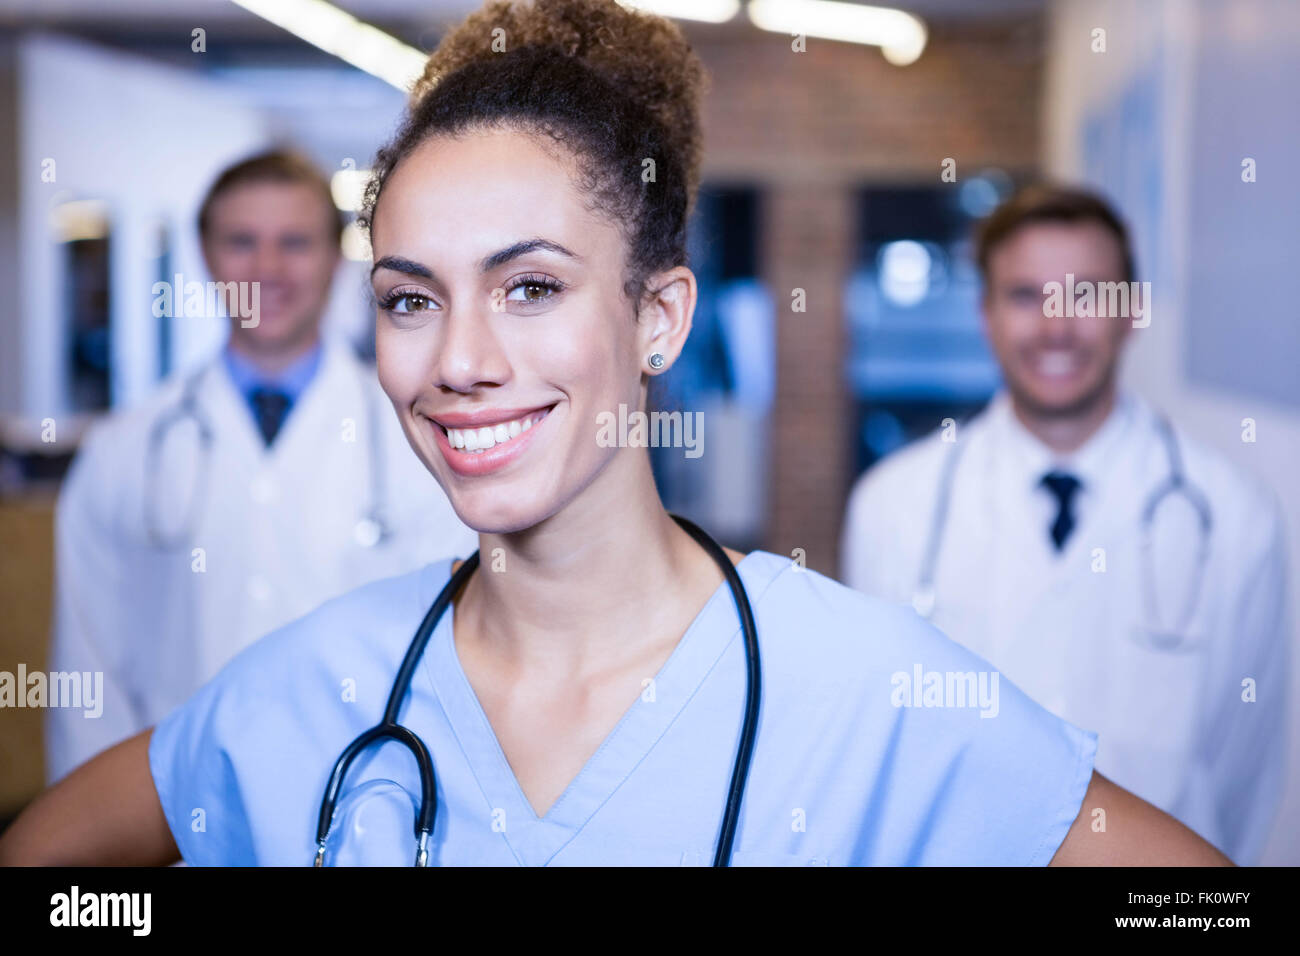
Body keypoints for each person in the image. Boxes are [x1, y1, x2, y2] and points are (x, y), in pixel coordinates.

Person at [2, 0, 1229, 867]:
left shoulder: (869, 688)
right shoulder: (319, 681)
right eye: (410, 299)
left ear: (657, 315)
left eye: (529, 286)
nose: (462, 360)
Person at [842, 184, 1289, 865]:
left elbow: (1242, 774)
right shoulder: (893, 506)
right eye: (1025, 296)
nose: (1056, 326)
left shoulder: (1233, 517)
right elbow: (884, 744)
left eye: (1088, 295)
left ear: (1132, 311)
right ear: (986, 314)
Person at [43, 150, 476, 783]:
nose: (267, 268)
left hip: (373, 811)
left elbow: (464, 651)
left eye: (294, 242)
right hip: (177, 831)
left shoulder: (419, 439)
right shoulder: (124, 451)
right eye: (242, 241)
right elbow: (87, 676)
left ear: (336, 256)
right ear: (205, 253)